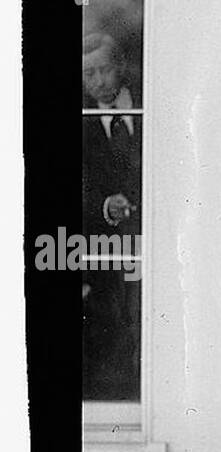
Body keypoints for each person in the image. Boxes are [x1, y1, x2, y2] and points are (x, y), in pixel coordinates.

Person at [82, 31, 141, 400]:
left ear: (120, 66)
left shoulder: (147, 103)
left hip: (155, 236)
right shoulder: (82, 121)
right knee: (114, 319)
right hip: (109, 244)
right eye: (89, 74)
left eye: (104, 69)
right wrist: (104, 206)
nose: (99, 81)